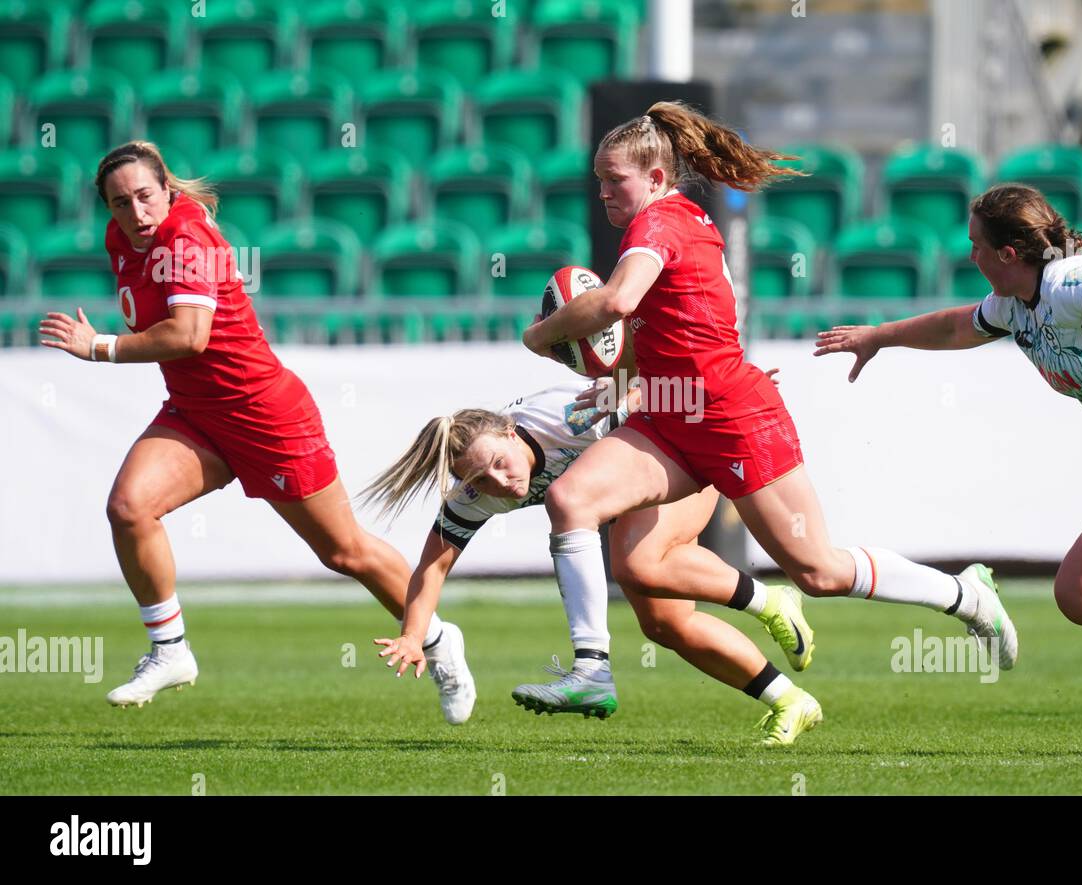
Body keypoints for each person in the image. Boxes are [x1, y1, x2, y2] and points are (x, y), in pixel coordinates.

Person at [520, 103, 1018, 744]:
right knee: (581, 509)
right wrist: (621, 388)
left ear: (656, 177)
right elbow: (656, 329)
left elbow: (616, 303)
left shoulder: (661, 224)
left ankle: (963, 593)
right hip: (672, 415)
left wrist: (540, 334)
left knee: (820, 573)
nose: (604, 191)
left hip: (732, 416)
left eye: (615, 178)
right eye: (598, 180)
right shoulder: (663, 222)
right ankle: (592, 669)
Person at [814, 183, 1082, 753]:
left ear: (1010, 253)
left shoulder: (1068, 283)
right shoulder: (1012, 305)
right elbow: (952, 327)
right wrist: (879, 337)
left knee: (1081, 594)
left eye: (977, 245)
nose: (969, 255)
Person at [38, 141, 424, 709]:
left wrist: (98, 346)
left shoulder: (187, 239)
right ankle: (169, 650)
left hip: (265, 414)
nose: (137, 212)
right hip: (195, 413)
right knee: (128, 508)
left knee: (345, 553)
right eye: (121, 203)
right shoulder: (121, 240)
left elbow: (188, 335)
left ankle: (436, 638)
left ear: (166, 189)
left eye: (146, 195)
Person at [363, 377, 823, 744]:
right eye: (482, 479)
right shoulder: (472, 498)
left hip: (681, 460)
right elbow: (432, 567)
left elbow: (652, 388)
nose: (501, 481)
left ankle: (769, 599)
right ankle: (790, 700)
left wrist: (730, 392)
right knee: (664, 624)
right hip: (629, 497)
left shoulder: (564, 416)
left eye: (501, 462)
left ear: (509, 429)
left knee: (636, 564)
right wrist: (412, 634)